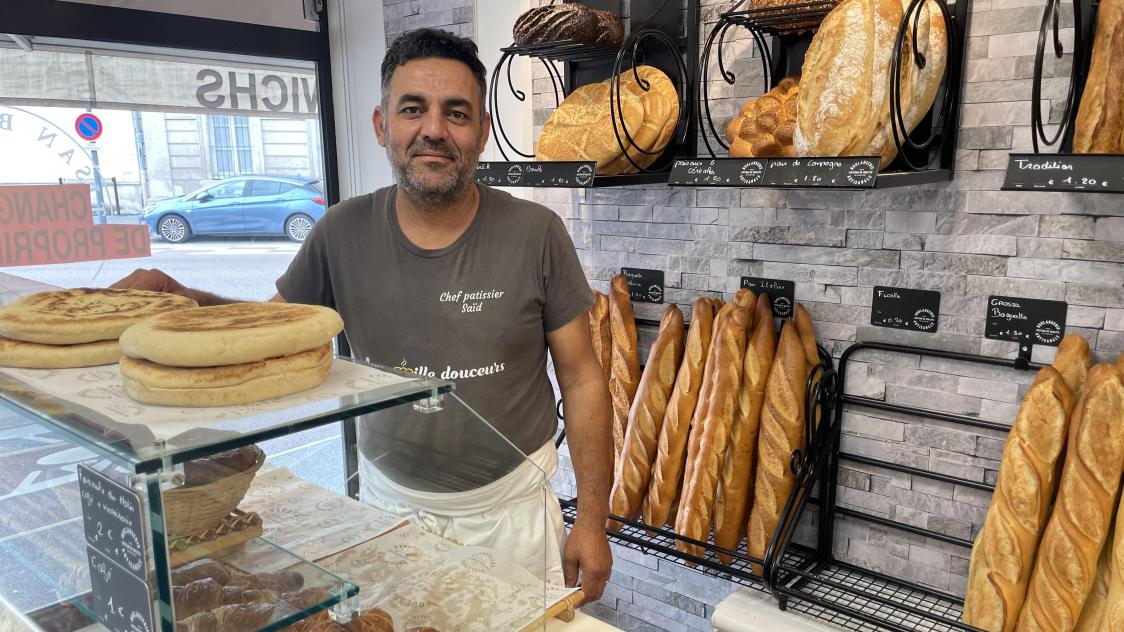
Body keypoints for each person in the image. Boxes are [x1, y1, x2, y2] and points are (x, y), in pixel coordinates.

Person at [113, 28, 613, 601]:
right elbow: (270, 333)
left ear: (480, 133)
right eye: (412, 109)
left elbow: (582, 378)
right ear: (382, 126)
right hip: (387, 508)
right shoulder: (341, 232)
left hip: (509, 514)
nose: (433, 130)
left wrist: (593, 521)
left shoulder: (536, 233)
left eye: (457, 113)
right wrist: (182, 295)